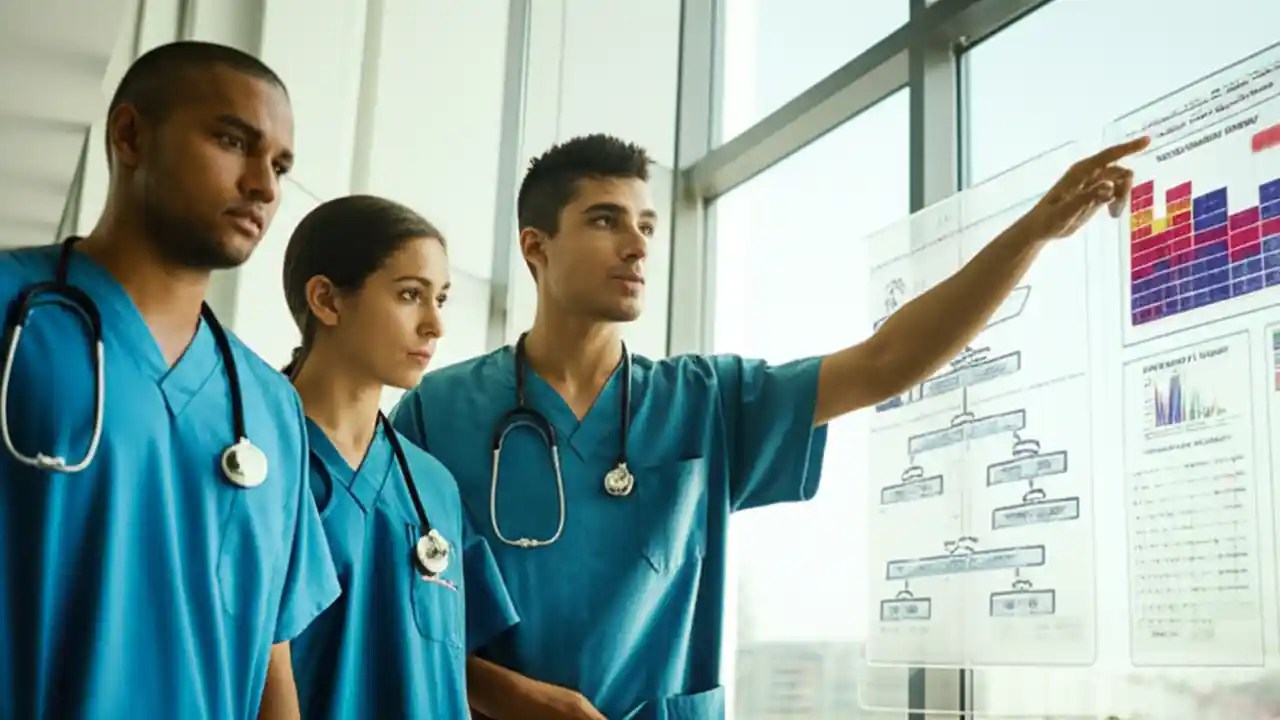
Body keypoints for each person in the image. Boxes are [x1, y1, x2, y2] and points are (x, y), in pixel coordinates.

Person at [390, 132, 1150, 719]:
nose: (637, 246)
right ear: (536, 246)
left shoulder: (706, 400)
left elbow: (888, 359)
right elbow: (393, 606)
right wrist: (507, 696)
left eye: (648, 225)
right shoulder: (437, 412)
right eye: (604, 220)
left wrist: (1036, 231)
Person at [0, 42, 339, 719]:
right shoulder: (12, 313)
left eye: (279, 165)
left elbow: (273, 663)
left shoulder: (271, 409)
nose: (265, 187)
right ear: (130, 135)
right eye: (231, 140)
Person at [279, 195, 520, 719]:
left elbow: (454, 666)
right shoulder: (263, 461)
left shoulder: (433, 487)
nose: (435, 325)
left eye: (442, 299)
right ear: (327, 299)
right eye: (411, 294)